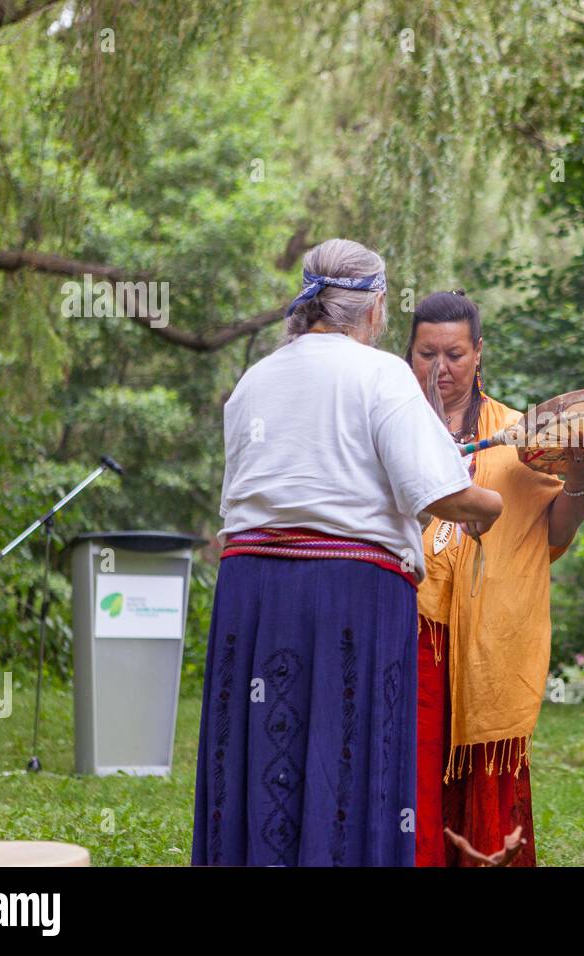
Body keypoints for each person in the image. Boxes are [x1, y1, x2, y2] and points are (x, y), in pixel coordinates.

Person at [191, 240, 503, 866]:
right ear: (376, 308)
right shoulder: (382, 372)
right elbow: (451, 498)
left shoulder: (254, 379)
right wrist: (494, 504)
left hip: (249, 588)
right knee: (348, 747)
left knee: (260, 748)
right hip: (348, 591)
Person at [404, 290, 584, 866]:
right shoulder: (384, 426)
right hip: (404, 629)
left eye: (455, 354)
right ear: (407, 353)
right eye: (426, 353)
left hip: (490, 637)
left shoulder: (520, 436)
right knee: (407, 761)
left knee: (483, 770)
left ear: (479, 353)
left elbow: (555, 528)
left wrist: (581, 475)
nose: (441, 368)